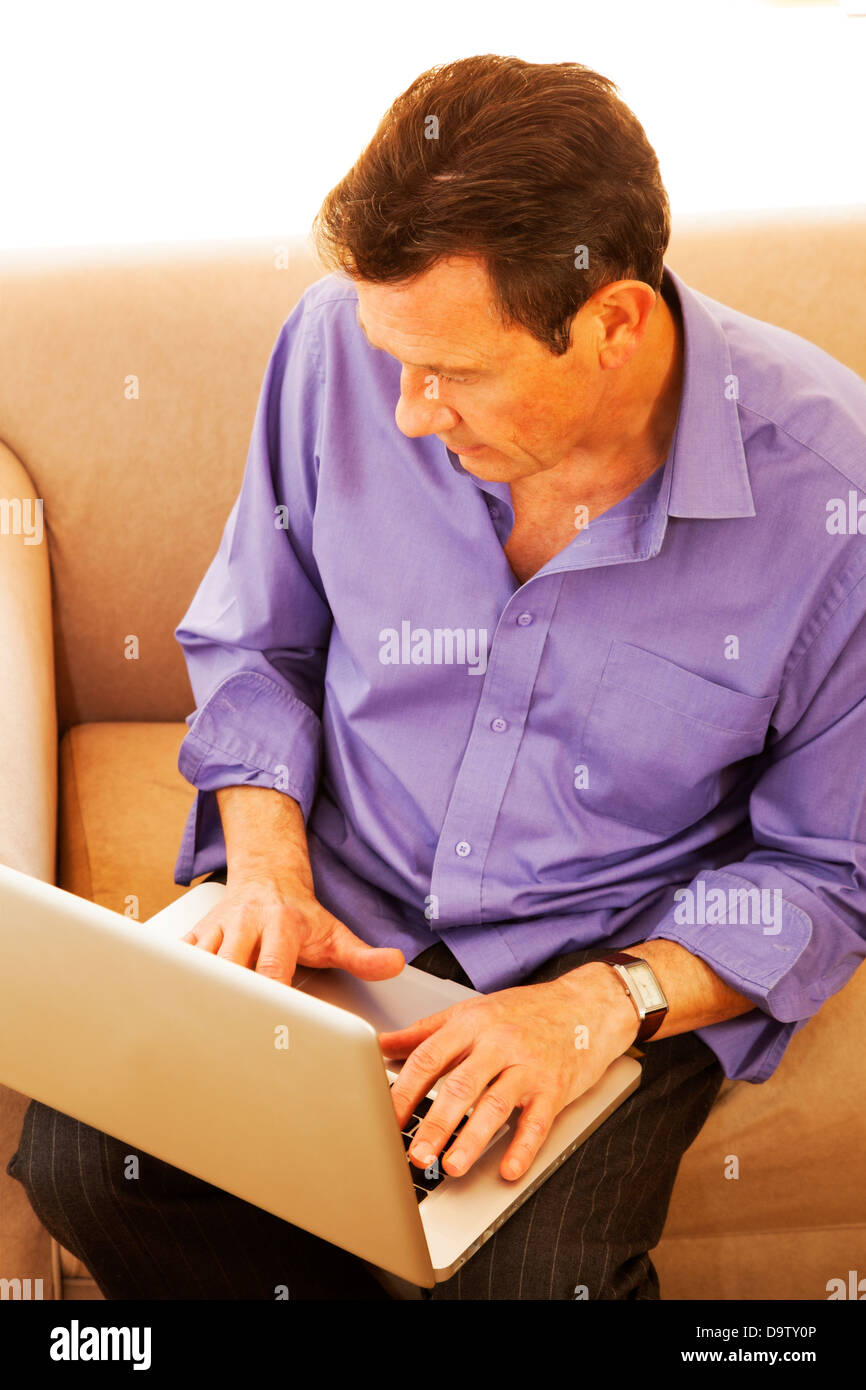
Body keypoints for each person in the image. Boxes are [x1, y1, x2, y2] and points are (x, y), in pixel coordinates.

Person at [9, 53, 866, 1301]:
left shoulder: (830, 500)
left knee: (534, 1288)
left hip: (602, 948)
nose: (405, 412)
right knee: (88, 1165)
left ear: (613, 324)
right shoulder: (336, 350)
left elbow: (825, 870)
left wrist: (591, 1008)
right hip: (345, 911)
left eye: (453, 373)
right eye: (390, 360)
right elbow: (259, 640)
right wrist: (266, 868)